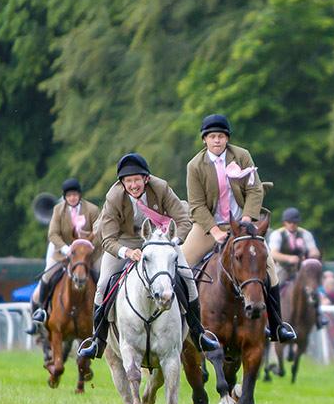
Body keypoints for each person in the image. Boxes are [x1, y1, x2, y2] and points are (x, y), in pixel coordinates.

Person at [77, 153, 220, 359]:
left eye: (137, 180)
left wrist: (172, 243)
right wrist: (127, 252)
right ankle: (98, 340)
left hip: (160, 240)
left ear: (146, 179)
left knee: (187, 277)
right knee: (103, 284)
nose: (133, 185)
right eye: (128, 181)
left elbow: (183, 221)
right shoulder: (114, 197)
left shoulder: (160, 187)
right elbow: (108, 239)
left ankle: (198, 333)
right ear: (122, 183)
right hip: (124, 242)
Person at [181, 114, 295, 343]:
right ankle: (182, 326)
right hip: (209, 227)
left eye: (221, 136)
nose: (217, 141)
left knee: (269, 268)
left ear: (227, 138)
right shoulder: (194, 166)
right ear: (204, 139)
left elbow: (255, 190)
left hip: (243, 224)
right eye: (212, 137)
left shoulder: (242, 156)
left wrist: (246, 219)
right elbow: (196, 204)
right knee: (179, 266)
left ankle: (277, 325)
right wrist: (214, 231)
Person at [28, 178, 101, 333]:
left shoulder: (93, 210)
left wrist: (87, 245)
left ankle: (104, 312)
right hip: (63, 255)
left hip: (87, 255)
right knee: (46, 277)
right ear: (65, 197)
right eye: (69, 196)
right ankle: (40, 311)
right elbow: (53, 234)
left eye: (75, 195)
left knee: (103, 276)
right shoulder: (58, 211)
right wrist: (66, 249)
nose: (72, 198)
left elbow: (99, 232)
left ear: (79, 195)